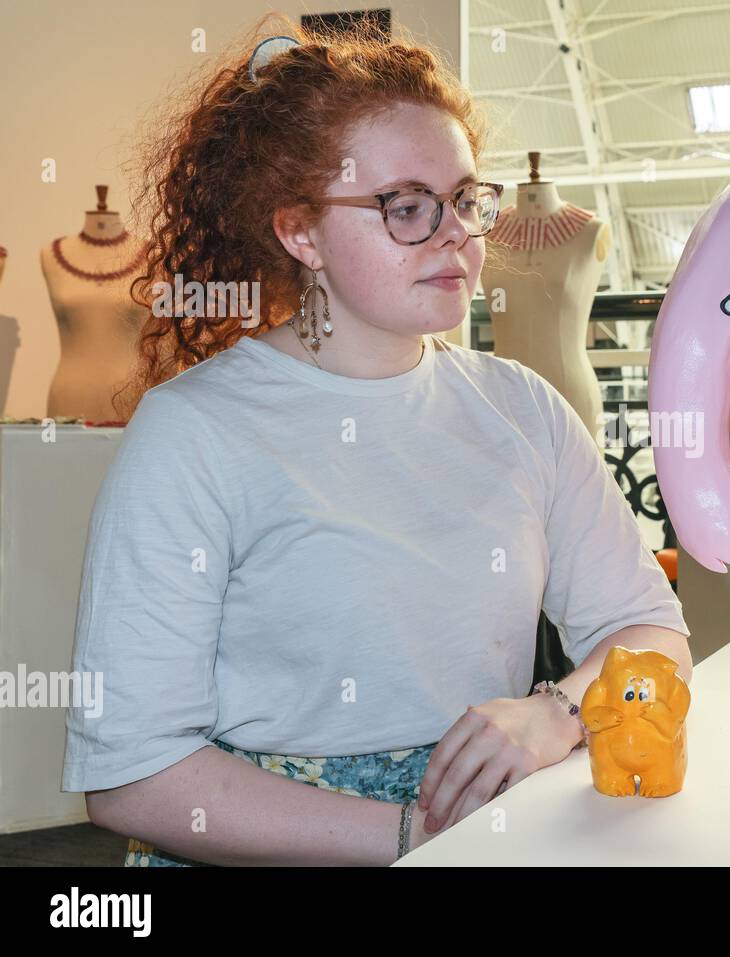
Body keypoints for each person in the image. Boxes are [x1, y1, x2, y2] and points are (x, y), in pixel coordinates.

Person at [60, 19, 692, 866]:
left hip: (483, 835)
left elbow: (650, 630)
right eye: (406, 207)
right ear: (301, 233)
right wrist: (412, 836)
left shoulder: (523, 409)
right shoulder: (195, 433)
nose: (457, 237)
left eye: (467, 200)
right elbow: (133, 772)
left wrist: (558, 711)